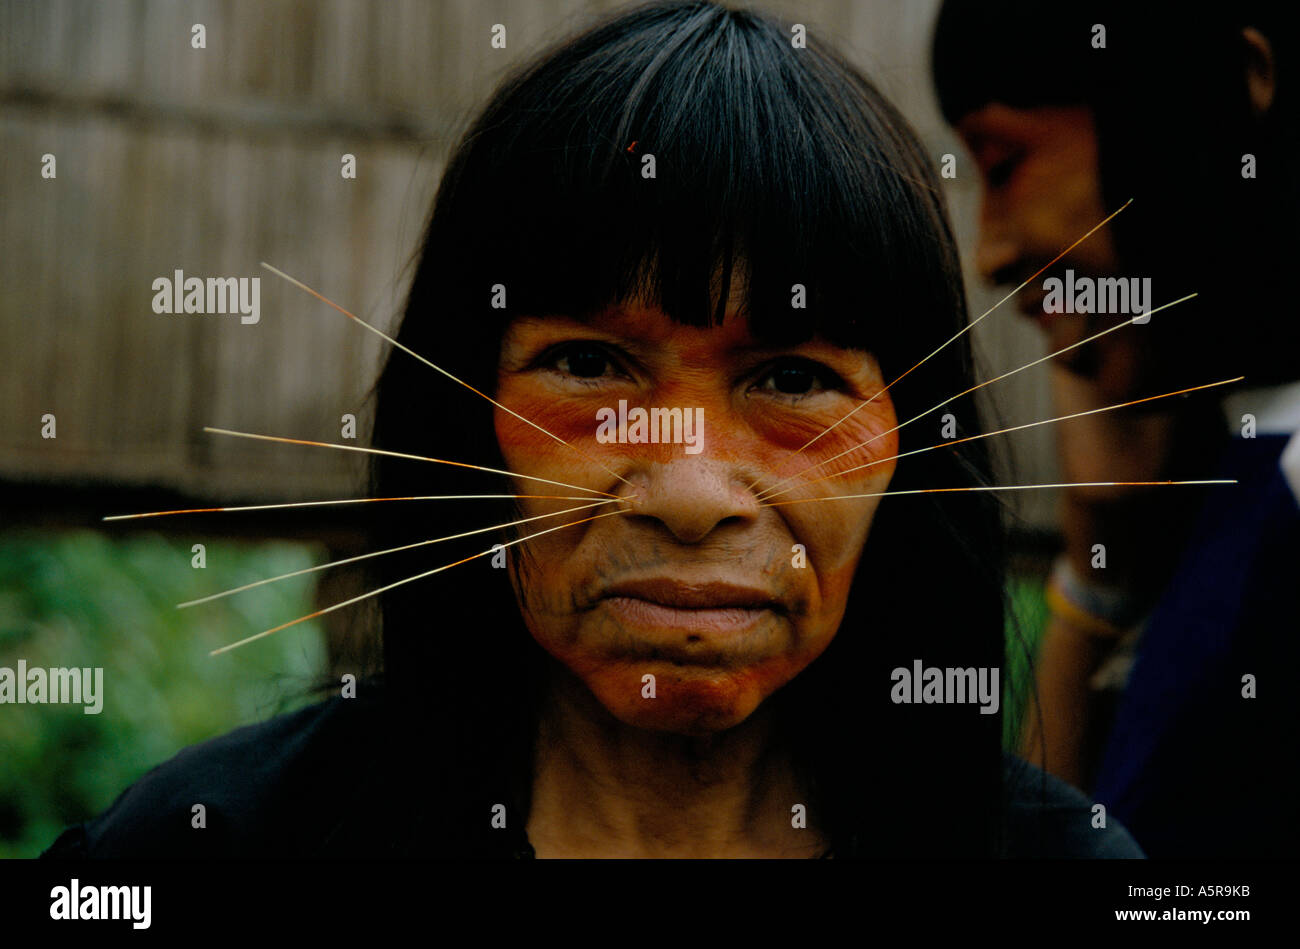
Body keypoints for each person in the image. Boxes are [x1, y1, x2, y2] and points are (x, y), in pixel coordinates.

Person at [45, 0, 1140, 859]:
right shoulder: (214, 848)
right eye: (586, 365)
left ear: (913, 446)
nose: (691, 491)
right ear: (464, 423)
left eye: (793, 379)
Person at [932, 0, 1300, 857]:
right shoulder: (1243, 479)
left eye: (1005, 162)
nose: (987, 253)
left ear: (1222, 91)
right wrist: (1099, 564)